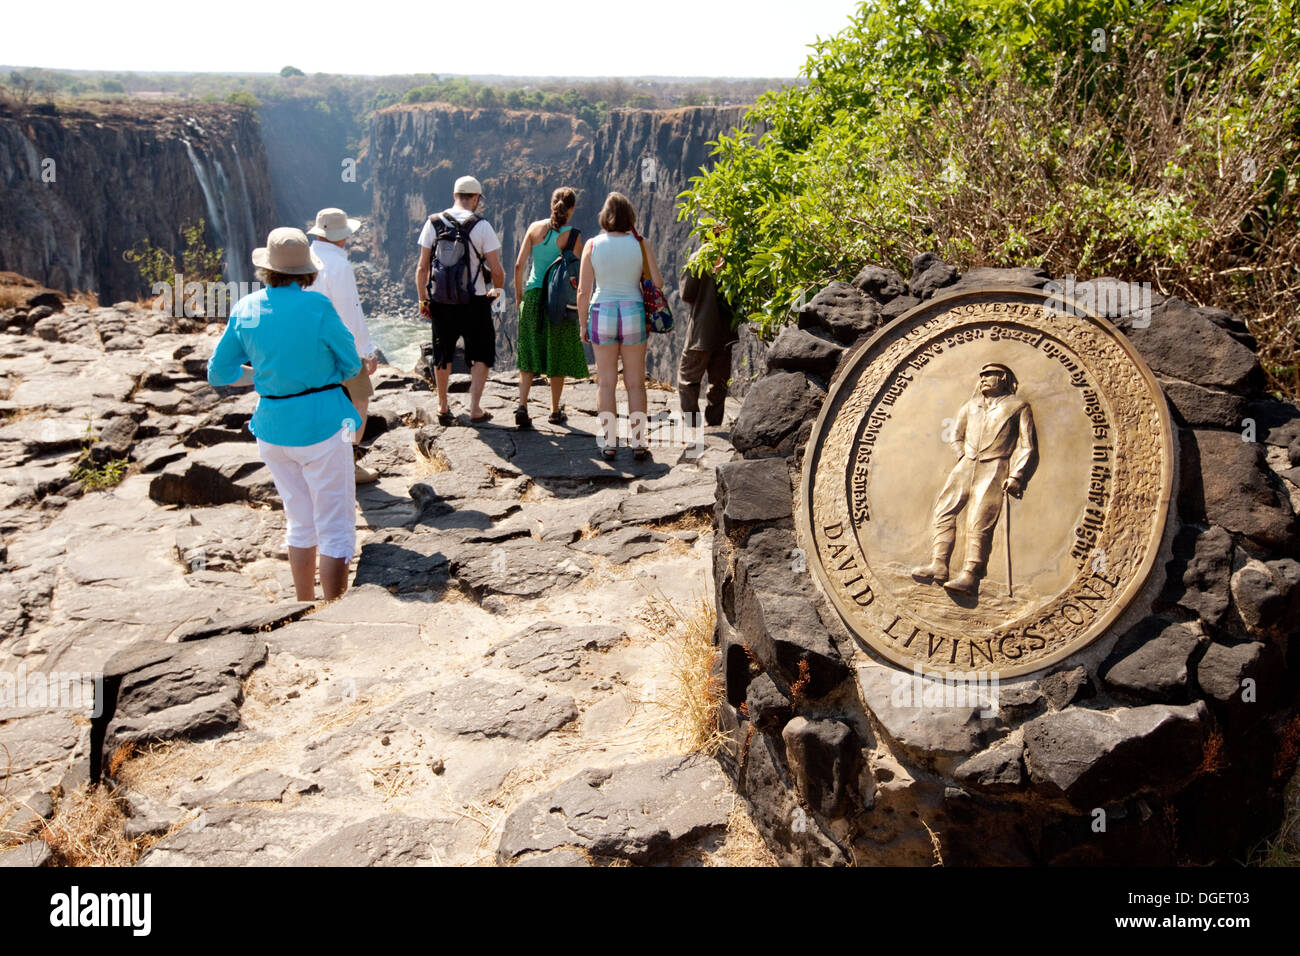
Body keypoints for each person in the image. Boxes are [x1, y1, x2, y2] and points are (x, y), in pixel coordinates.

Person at [208, 227, 362, 602]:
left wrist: (259, 376)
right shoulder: (317, 307)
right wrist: (322, 375)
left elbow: (219, 372)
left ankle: (303, 604)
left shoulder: (246, 308)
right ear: (306, 272)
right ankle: (332, 609)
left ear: (268, 270)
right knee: (336, 526)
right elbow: (351, 364)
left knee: (299, 520)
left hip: (272, 429)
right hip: (324, 426)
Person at [910, 363, 1036, 594]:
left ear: (1003, 377)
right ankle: (939, 564)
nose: (983, 379)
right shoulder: (970, 406)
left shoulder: (1018, 406)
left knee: (980, 519)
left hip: (995, 466)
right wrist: (962, 457)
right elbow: (956, 436)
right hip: (966, 465)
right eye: (981, 375)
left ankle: (970, 575)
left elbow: (1026, 445)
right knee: (944, 510)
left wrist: (1017, 475)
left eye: (989, 375)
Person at [577, 192, 662, 462]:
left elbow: (583, 290)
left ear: (605, 216)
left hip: (602, 310)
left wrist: (583, 325)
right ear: (630, 217)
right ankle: (638, 443)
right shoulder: (640, 243)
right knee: (635, 383)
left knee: (606, 382)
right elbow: (657, 283)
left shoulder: (592, 245)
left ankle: (610, 443)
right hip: (633, 310)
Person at [416, 175, 506, 426]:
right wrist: (496, 292)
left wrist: (423, 301)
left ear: (454, 195)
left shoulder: (433, 222)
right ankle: (474, 408)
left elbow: (422, 268)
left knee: (442, 352)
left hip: (441, 301)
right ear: (476, 198)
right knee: (481, 352)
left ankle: (443, 406)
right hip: (475, 301)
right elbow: (496, 270)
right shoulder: (482, 226)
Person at [307, 207, 379, 484]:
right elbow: (350, 310)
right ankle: (347, 463)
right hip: (340, 347)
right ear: (341, 236)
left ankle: (322, 463)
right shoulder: (338, 264)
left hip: (310, 347)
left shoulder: (305, 258)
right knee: (358, 402)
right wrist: (366, 350)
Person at [512, 186, 590, 430]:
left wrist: (519, 297)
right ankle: (555, 411)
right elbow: (577, 277)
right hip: (558, 301)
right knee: (556, 354)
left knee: (528, 353)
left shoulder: (534, 228)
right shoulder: (575, 237)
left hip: (533, 297)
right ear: (573, 209)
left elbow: (518, 265)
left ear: (551, 205)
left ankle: (522, 405)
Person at [678, 243, 737, 428]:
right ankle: (714, 424)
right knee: (718, 383)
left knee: (687, 380)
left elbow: (687, 293)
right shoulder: (736, 259)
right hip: (726, 331)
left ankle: (692, 426)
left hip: (701, 332)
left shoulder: (699, 258)